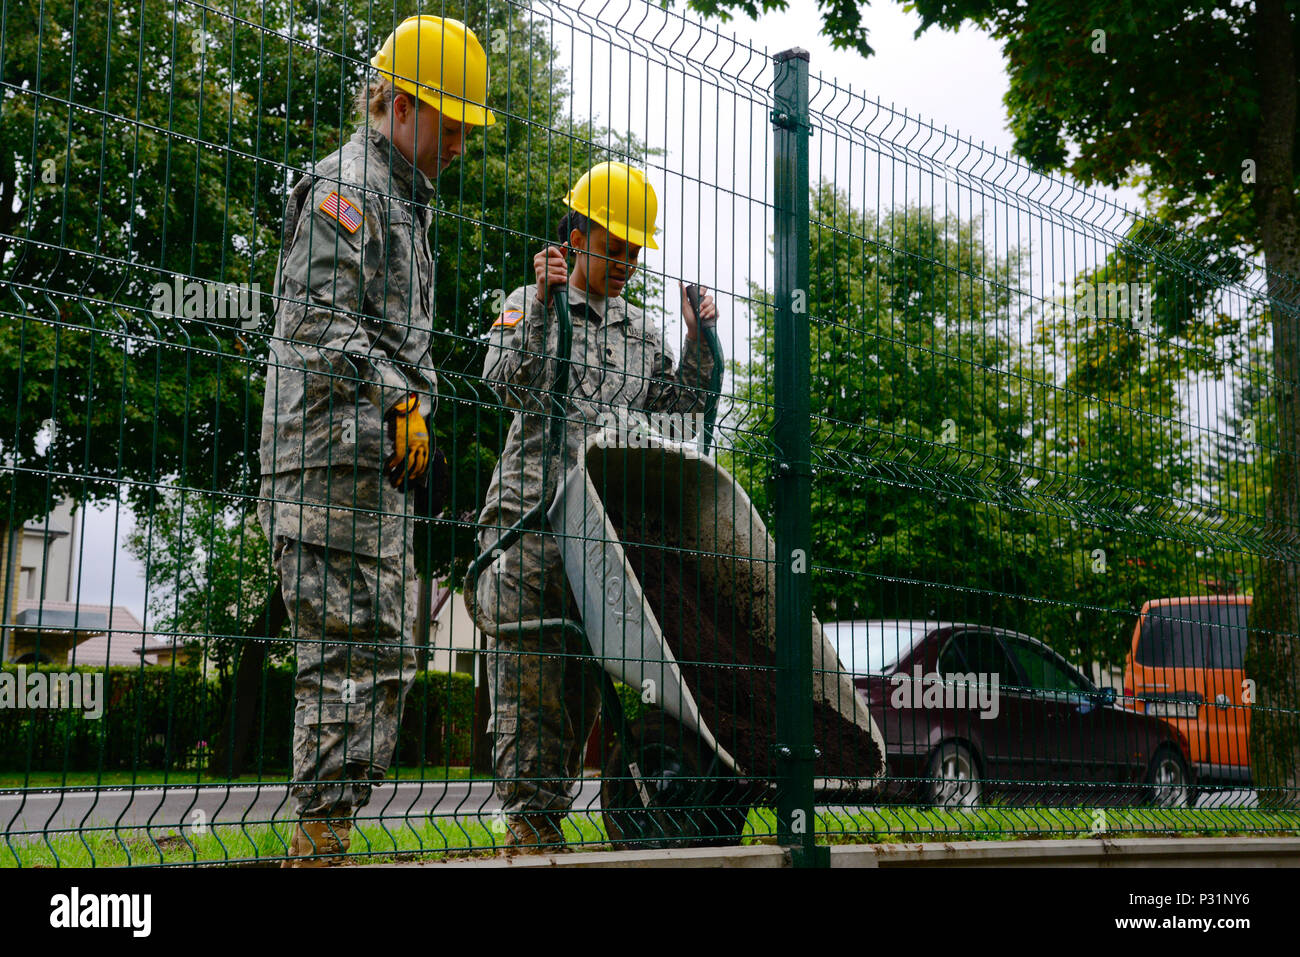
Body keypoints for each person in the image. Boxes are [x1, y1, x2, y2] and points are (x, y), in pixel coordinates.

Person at [257, 15, 495, 866]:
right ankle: (318, 844)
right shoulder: (345, 191)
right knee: (342, 658)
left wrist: (408, 408)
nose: (465, 138)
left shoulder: (404, 199)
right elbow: (315, 321)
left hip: (375, 473)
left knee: (389, 653)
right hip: (323, 468)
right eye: (454, 121)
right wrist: (399, 395)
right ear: (399, 105)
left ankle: (332, 835)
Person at [470, 161, 719, 853]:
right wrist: (545, 311)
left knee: (582, 682)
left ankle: (554, 820)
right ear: (576, 235)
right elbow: (505, 385)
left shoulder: (644, 335)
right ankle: (529, 827)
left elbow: (678, 415)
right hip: (528, 522)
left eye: (637, 251)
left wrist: (701, 345)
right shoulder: (528, 300)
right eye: (616, 247)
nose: (627, 263)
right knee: (527, 684)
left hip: (603, 533)